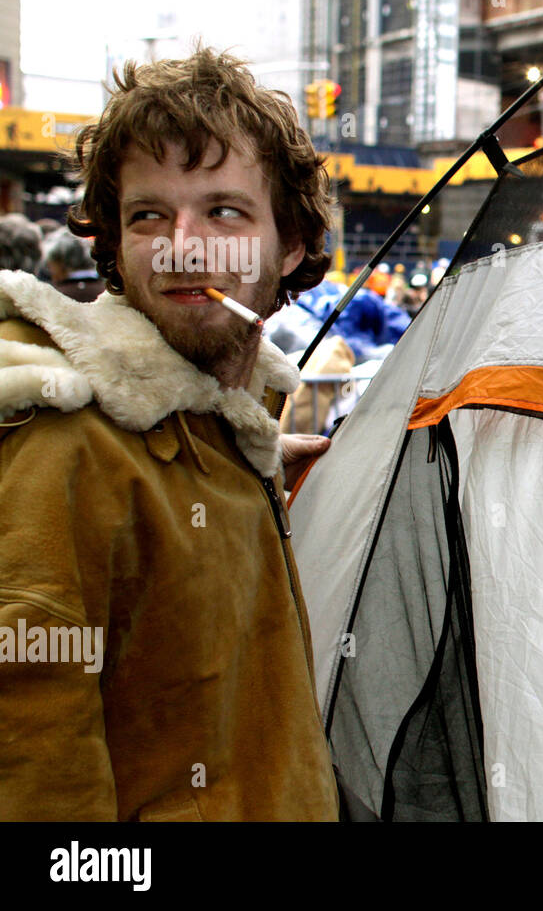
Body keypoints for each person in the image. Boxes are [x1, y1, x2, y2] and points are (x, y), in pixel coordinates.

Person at [0, 47, 339, 820]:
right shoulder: (66, 447)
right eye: (148, 215)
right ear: (114, 245)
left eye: (223, 211)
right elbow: (31, 777)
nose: (184, 244)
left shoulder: (223, 437)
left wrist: (239, 471)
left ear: (289, 244)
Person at [41, 228, 105, 301]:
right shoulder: (109, 294)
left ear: (60, 262)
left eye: (50, 265)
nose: (50, 271)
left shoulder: (53, 298)